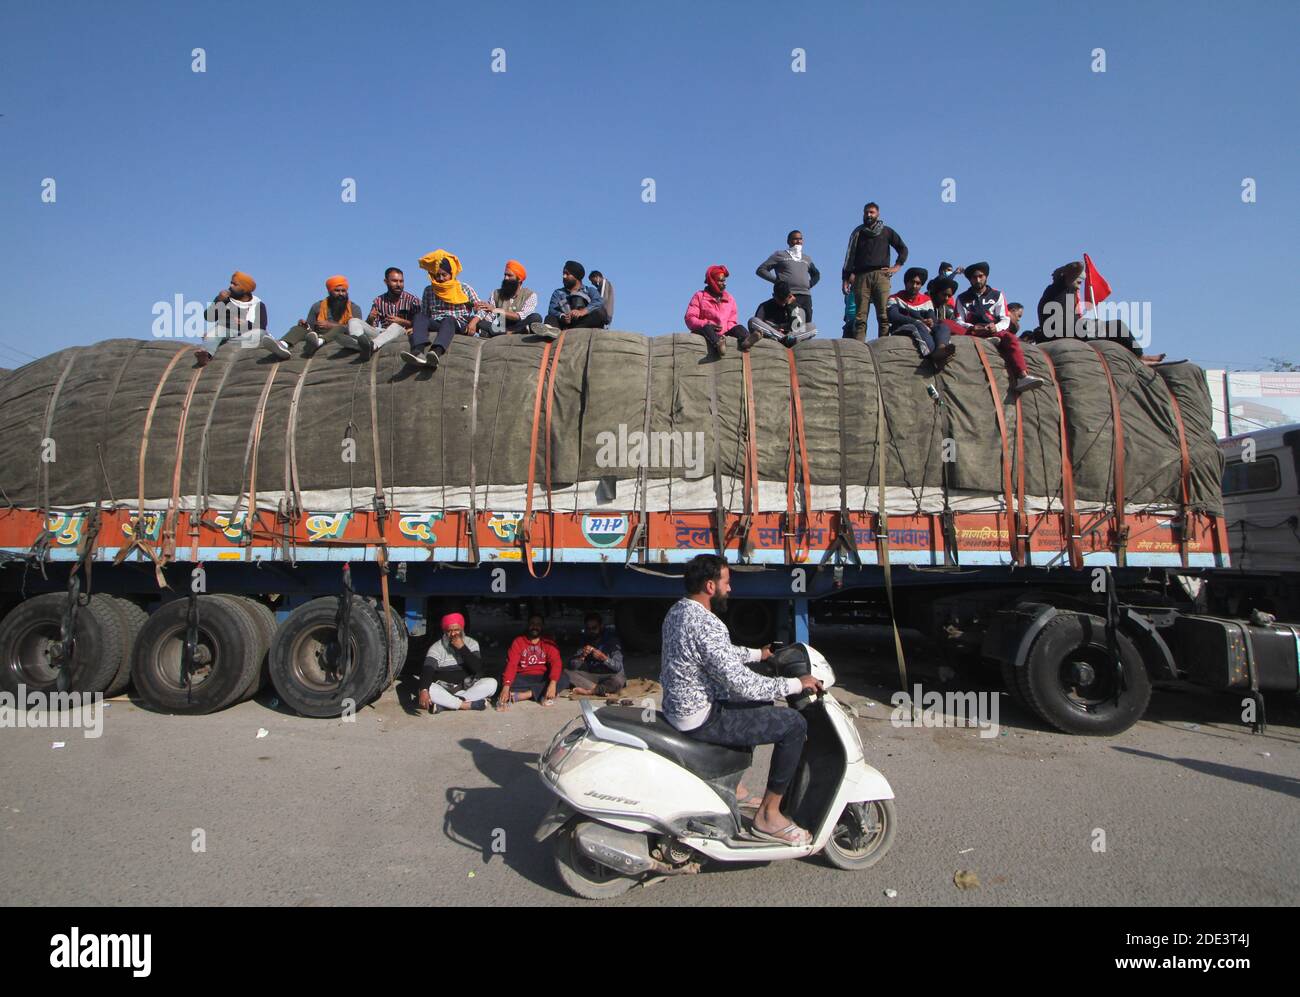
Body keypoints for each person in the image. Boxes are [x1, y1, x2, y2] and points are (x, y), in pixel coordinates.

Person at [660, 554, 822, 845]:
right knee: (793, 724)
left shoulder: (679, 611)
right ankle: (769, 816)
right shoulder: (707, 624)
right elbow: (742, 683)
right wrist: (796, 684)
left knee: (759, 707)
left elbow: (719, 653)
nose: (730, 589)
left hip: (680, 708)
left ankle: (733, 786)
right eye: (727, 582)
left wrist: (758, 655)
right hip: (699, 716)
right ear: (711, 586)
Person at [955, 262, 1043, 393]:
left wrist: (995, 327)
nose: (978, 280)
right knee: (947, 324)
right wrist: (973, 328)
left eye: (981, 276)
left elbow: (1005, 318)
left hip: (993, 330)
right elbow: (958, 320)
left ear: (986, 277)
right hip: (971, 331)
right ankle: (986, 340)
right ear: (970, 280)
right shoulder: (962, 298)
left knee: (1010, 338)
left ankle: (1022, 376)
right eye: (974, 277)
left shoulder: (997, 295)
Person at [401, 250, 488, 371]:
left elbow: (483, 309)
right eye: (437, 275)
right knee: (419, 317)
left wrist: (473, 322)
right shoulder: (429, 290)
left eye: (444, 275)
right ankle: (418, 352)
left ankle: (436, 352)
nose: (440, 278)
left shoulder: (463, 288)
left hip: (457, 323)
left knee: (449, 320)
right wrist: (416, 326)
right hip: (437, 322)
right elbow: (425, 313)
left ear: (451, 273)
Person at [841, 202, 908, 340]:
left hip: (881, 275)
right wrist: (845, 279)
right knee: (860, 317)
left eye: (872, 212)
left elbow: (903, 249)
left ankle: (882, 347)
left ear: (878, 214)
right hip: (861, 276)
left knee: (883, 315)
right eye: (866, 212)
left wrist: (896, 267)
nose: (868, 215)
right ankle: (860, 348)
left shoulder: (887, 231)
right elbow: (849, 257)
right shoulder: (857, 233)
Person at [417, 613, 498, 713]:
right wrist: (424, 690)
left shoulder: (472, 643)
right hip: (444, 689)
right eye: (449, 631)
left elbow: (478, 669)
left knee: (492, 683)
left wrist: (462, 648)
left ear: (462, 629)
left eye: (457, 630)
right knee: (427, 689)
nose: (453, 634)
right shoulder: (436, 648)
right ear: (444, 631)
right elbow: (427, 670)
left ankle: (446, 705)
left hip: (467, 688)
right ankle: (466, 705)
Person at [260, 275, 356, 360]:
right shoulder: (317, 306)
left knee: (341, 327)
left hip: (340, 336)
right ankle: (283, 345)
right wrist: (305, 325)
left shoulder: (354, 308)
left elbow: (355, 329)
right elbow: (310, 328)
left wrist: (330, 325)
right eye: (337, 291)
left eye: (343, 291)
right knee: (299, 328)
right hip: (317, 334)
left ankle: (319, 342)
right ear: (330, 291)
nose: (340, 294)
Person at [686, 265, 759, 357]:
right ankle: (718, 345)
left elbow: (731, 321)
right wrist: (706, 323)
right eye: (721, 281)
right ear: (712, 282)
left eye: (724, 281)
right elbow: (690, 318)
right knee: (707, 328)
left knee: (739, 327)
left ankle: (746, 340)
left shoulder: (730, 299)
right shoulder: (699, 296)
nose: (724, 284)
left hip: (724, 334)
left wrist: (731, 330)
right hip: (705, 332)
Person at [197, 271, 267, 365]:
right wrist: (218, 300)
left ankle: (221, 342)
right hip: (225, 330)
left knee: (261, 333)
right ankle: (206, 355)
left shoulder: (258, 305)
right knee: (218, 331)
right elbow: (209, 317)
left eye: (235, 284)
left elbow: (262, 326)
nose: (230, 286)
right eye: (231, 283)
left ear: (244, 288)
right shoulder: (226, 299)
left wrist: (246, 324)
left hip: (245, 334)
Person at [497, 613, 564, 709]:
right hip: (522, 678)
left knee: (563, 677)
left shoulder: (548, 642)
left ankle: (526, 695)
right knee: (500, 682)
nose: (535, 627)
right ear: (528, 625)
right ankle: (541, 693)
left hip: (542, 677)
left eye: (538, 624)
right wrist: (506, 686)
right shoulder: (518, 641)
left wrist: (552, 683)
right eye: (532, 623)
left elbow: (556, 663)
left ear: (542, 626)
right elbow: (512, 665)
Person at [756, 230, 820, 322]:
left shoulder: (807, 258)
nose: (798, 241)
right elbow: (761, 270)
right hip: (788, 295)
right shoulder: (780, 255)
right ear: (788, 241)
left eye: (800, 239)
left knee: (806, 323)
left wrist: (809, 284)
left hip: (805, 295)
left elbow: (816, 274)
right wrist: (777, 281)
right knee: (791, 322)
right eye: (795, 239)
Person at [887, 267, 949, 360]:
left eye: (918, 283)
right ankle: (932, 356)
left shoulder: (926, 300)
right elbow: (893, 316)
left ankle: (941, 348)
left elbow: (932, 318)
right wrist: (917, 321)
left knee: (943, 326)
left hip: (923, 326)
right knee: (918, 325)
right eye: (912, 282)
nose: (914, 286)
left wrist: (931, 322)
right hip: (902, 328)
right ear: (906, 282)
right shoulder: (894, 298)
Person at [533, 261, 607, 337]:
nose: (564, 276)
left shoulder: (589, 291)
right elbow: (552, 310)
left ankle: (571, 331)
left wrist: (582, 312)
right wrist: (563, 316)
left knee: (600, 313)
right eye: (563, 274)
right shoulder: (558, 293)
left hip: (583, 322)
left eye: (567, 274)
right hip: (565, 324)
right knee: (550, 318)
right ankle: (551, 332)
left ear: (576, 276)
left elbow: (599, 302)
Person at [565, 612, 627, 696]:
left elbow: (618, 667)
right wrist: (581, 657)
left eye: (594, 628)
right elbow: (572, 666)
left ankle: (590, 691)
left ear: (601, 626)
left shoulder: (612, 640)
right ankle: (598, 689)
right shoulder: (585, 640)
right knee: (566, 673)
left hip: (609, 675)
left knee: (620, 679)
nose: (591, 631)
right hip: (592, 676)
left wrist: (604, 658)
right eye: (588, 628)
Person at [481, 259, 542, 336]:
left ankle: (508, 332)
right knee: (480, 322)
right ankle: (506, 332)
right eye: (505, 275)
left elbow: (521, 316)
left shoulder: (530, 295)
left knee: (536, 317)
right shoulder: (495, 293)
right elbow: (490, 317)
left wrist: (495, 310)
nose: (506, 278)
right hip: (500, 326)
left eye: (509, 275)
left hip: (518, 324)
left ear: (519, 279)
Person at [748, 280, 817, 347]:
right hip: (772, 335)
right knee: (752, 321)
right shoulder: (764, 306)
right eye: (780, 300)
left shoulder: (795, 306)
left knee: (812, 327)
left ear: (789, 296)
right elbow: (757, 327)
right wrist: (776, 329)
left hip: (791, 336)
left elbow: (798, 327)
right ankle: (783, 339)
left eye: (784, 300)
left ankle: (787, 340)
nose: (782, 303)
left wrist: (791, 306)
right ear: (773, 295)